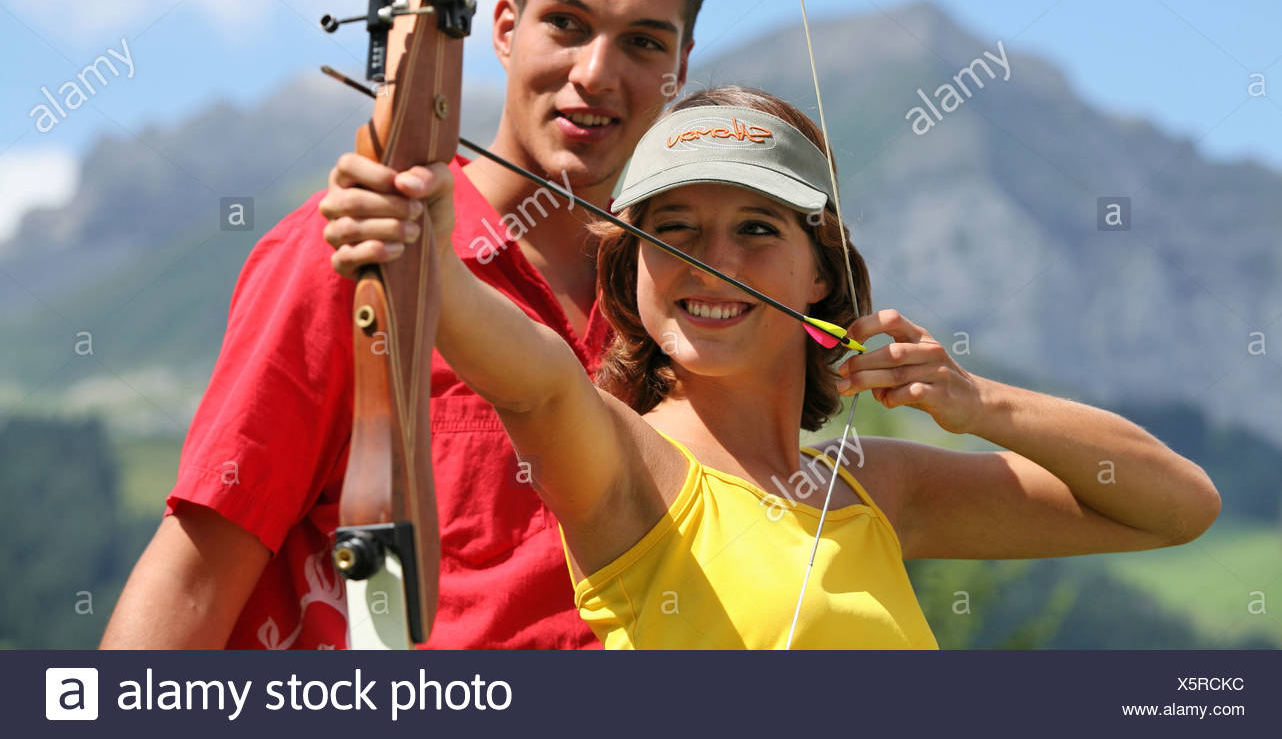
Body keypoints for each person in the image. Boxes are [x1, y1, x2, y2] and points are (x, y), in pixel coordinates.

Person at [100, 0, 711, 649]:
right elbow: (194, 575)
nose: (595, 73)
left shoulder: (686, 298)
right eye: (566, 24)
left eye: (642, 42)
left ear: (680, 69)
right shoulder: (354, 251)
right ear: (502, 28)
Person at [385, 84, 1221, 649]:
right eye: (673, 230)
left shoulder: (872, 489)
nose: (714, 266)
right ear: (629, 270)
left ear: (821, 272)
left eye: (756, 228)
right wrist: (425, 250)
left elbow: (1177, 506)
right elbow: (535, 382)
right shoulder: (623, 465)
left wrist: (980, 405)